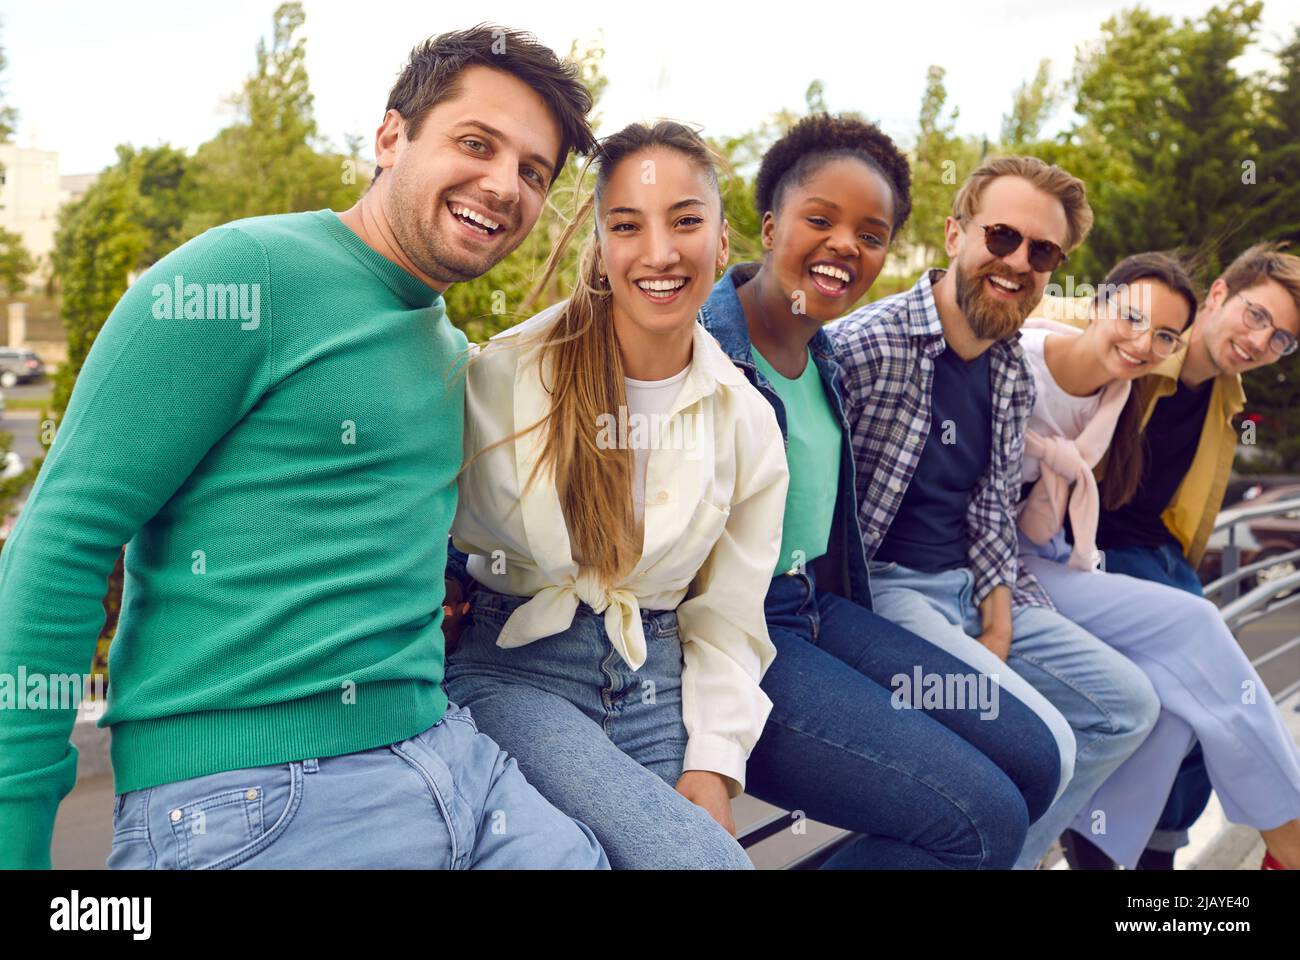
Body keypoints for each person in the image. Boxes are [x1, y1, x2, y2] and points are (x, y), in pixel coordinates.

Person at [0, 25, 610, 870]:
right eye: (477, 143)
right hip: (253, 796)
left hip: (454, 760)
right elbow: (61, 543)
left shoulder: (442, 345)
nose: (503, 185)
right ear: (391, 136)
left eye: (533, 173)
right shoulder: (241, 274)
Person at [697, 114, 1072, 868]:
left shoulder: (827, 358)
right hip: (738, 636)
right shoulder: (703, 350)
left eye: (870, 234)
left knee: (1035, 761)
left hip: (818, 608)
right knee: (983, 821)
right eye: (820, 220)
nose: (846, 244)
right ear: (769, 229)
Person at [443, 121, 789, 869]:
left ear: (724, 243)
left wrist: (715, 761)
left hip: (656, 683)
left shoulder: (746, 419)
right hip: (516, 672)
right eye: (627, 226)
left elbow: (729, 618)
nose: (660, 254)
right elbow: (411, 518)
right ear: (600, 247)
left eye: (686, 222)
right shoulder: (503, 377)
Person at [827, 156, 1162, 869]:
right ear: (955, 234)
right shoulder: (865, 347)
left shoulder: (1011, 365)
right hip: (889, 593)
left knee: (1128, 706)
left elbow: (989, 512)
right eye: (1002, 237)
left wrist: (1000, 625)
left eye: (1043, 252)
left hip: (972, 589)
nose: (1018, 263)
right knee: (1050, 745)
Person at [1016, 252, 1300, 871]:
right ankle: (1289, 840)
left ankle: (1148, 861)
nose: (1260, 340)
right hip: (1084, 548)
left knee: (1182, 714)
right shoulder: (1137, 351)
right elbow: (1067, 320)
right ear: (1220, 294)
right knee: (1194, 660)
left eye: (1282, 339)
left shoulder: (1226, 399)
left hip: (1153, 552)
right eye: (1256, 315)